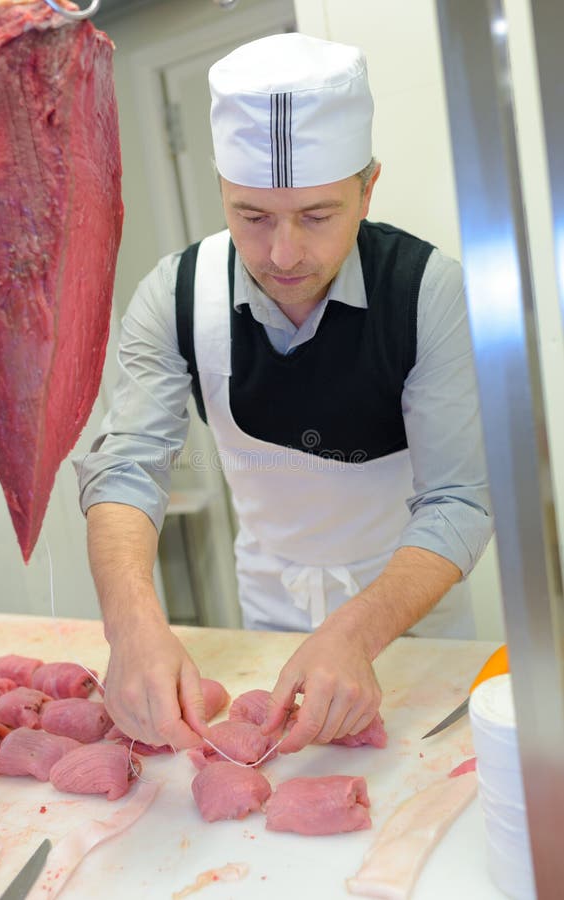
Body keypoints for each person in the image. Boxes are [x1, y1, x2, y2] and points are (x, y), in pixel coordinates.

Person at [75, 32, 493, 754]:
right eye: (252, 216)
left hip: (410, 622)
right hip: (267, 611)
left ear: (368, 188)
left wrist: (355, 632)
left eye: (318, 216)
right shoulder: (175, 295)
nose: (283, 253)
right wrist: (132, 623)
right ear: (221, 193)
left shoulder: (427, 291)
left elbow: (459, 499)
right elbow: (125, 466)